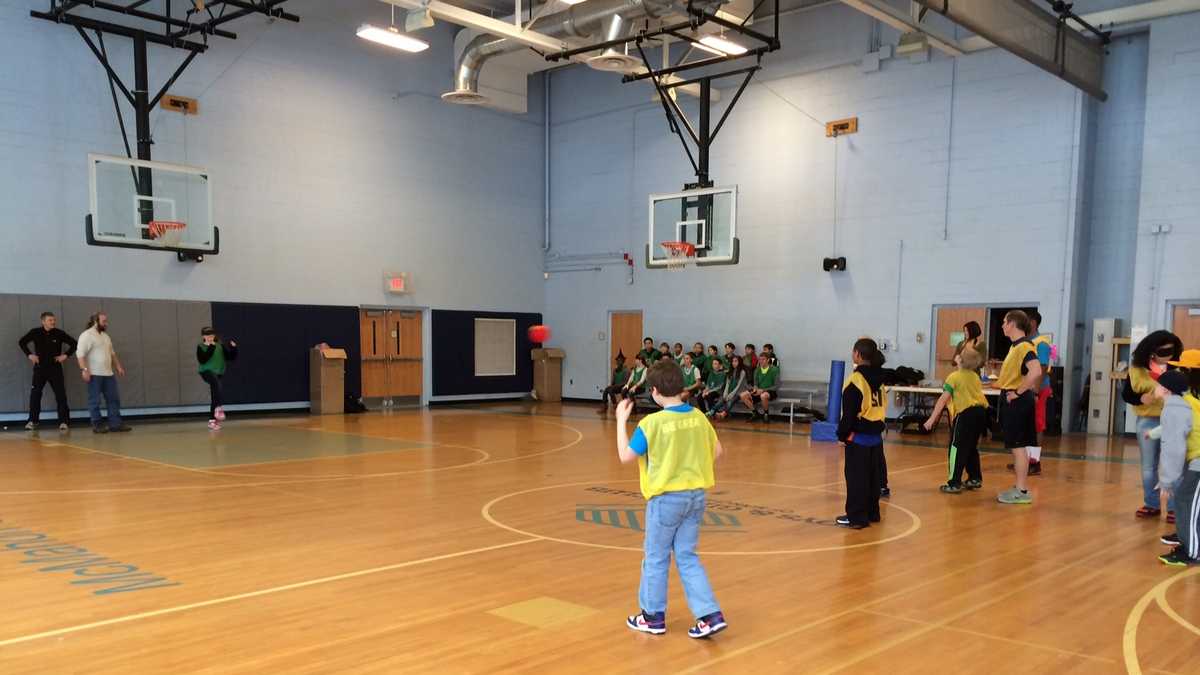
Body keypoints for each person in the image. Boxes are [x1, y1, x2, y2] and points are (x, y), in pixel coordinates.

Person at [615, 360, 727, 638]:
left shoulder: (651, 424)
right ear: (682, 387)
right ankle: (709, 615)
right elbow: (717, 451)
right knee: (687, 556)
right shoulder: (699, 417)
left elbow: (625, 456)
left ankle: (652, 617)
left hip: (665, 500)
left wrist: (620, 421)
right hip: (696, 497)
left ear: (654, 391)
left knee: (655, 558)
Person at [1125, 330, 1184, 520]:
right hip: (1148, 420)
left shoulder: (1178, 368)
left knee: (1174, 465)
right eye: (1163, 352)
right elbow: (1127, 394)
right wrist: (1140, 398)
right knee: (1148, 466)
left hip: (1173, 420)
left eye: (1171, 351)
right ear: (1151, 352)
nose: (1167, 356)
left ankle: (1175, 508)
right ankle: (1151, 503)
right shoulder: (1137, 369)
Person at [836, 338, 888, 528]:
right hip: (876, 437)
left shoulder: (855, 380)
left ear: (857, 354)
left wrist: (842, 435)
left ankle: (857, 517)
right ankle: (872, 513)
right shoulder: (880, 380)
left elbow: (849, 414)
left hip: (859, 437)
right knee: (873, 479)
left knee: (857, 479)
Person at [1151, 363, 1200, 566]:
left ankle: (1192, 552)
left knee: (1186, 501)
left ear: (1166, 390)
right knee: (1186, 501)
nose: (1153, 387)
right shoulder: (1183, 404)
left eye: (1157, 384)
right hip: (1196, 460)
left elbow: (1174, 447)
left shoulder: (1174, 409)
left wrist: (1167, 481)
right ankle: (1189, 545)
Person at [924, 349, 988, 493]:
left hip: (965, 414)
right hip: (980, 413)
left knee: (956, 448)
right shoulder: (975, 376)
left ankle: (954, 483)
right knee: (971, 447)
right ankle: (975, 478)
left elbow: (943, 400)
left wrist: (932, 419)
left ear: (960, 360)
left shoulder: (954, 377)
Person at [995, 310, 1042, 505]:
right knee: (1017, 447)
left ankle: (1022, 490)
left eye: (1004, 322)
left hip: (1018, 401)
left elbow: (1036, 371)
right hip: (1013, 399)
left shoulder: (1024, 346)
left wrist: (1018, 392)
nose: (1002, 326)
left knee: (1018, 446)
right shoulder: (1015, 347)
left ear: (1012, 324)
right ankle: (1019, 487)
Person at [18, 312, 77, 432]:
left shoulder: (59, 333)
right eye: (50, 320)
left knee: (60, 395)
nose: (53, 322)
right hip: (40, 369)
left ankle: (64, 421)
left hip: (55, 369)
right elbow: (22, 342)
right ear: (43, 321)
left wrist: (65, 355)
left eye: (54, 320)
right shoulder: (35, 332)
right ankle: (33, 421)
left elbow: (74, 344)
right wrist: (30, 355)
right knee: (35, 395)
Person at [75, 313, 131, 434]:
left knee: (113, 399)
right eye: (104, 321)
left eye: (106, 321)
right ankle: (97, 424)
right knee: (95, 401)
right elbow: (80, 354)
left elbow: (112, 353)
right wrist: (84, 369)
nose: (106, 323)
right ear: (96, 321)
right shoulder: (87, 335)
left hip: (108, 374)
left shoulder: (106, 336)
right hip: (94, 374)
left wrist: (118, 366)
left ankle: (115, 424)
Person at [1026, 310, 1053, 475]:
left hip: (1039, 389)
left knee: (1037, 425)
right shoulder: (1026, 342)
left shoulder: (1041, 344)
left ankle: (1035, 463)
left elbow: (1042, 368)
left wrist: (1035, 391)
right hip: (1027, 388)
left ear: (1033, 323)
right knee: (1027, 425)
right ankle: (1025, 461)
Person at [197, 327, 238, 431]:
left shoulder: (220, 346)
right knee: (216, 384)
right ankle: (218, 407)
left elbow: (230, 357)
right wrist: (211, 347)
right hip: (206, 372)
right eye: (207, 335)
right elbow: (202, 360)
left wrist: (233, 348)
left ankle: (212, 421)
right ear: (203, 336)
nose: (210, 337)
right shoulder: (200, 347)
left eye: (212, 335)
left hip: (218, 372)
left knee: (215, 393)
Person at [739, 354, 780, 423]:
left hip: (770, 391)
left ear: (768, 360)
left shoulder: (774, 370)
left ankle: (766, 414)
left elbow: (776, 386)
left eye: (763, 359)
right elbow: (755, 384)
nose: (761, 361)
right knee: (742, 395)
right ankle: (755, 413)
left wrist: (763, 390)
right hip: (759, 390)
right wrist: (755, 389)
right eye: (760, 359)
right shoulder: (757, 370)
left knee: (763, 395)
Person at [712, 355, 746, 420]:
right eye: (733, 361)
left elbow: (738, 386)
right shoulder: (730, 371)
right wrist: (725, 393)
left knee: (730, 401)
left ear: (739, 362)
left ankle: (723, 414)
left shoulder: (742, 372)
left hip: (738, 392)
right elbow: (727, 384)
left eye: (736, 361)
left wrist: (731, 394)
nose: (734, 363)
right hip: (730, 390)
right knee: (721, 399)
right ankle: (712, 411)